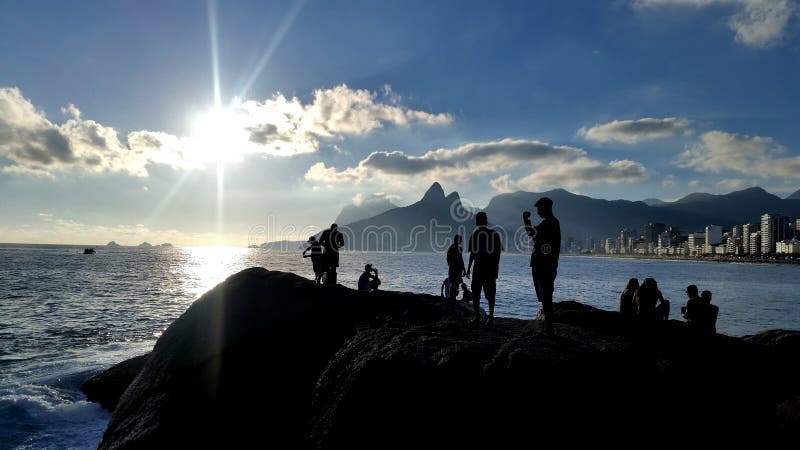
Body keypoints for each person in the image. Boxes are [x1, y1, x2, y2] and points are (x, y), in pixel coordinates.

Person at [523, 197, 561, 335]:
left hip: (545, 266)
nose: (538, 212)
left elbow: (532, 234)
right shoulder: (550, 223)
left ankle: (549, 327)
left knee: (546, 296)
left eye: (539, 208)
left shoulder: (550, 223)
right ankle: (548, 326)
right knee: (545, 296)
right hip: (545, 265)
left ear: (546, 207)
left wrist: (526, 220)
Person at [466, 212, 503, 326]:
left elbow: (473, 254)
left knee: (477, 294)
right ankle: (489, 317)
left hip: (480, 269)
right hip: (487, 269)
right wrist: (495, 268)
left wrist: (468, 269)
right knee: (489, 294)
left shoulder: (475, 235)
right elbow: (497, 254)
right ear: (486, 221)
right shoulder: (493, 234)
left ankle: (479, 317)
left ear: (477, 222)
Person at [445, 234, 466, 302]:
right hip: (456, 269)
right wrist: (463, 269)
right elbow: (460, 259)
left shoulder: (451, 248)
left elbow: (448, 259)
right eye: (460, 239)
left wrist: (451, 265)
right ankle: (453, 298)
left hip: (453, 269)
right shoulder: (457, 248)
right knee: (455, 284)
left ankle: (452, 298)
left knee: (454, 283)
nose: (461, 241)